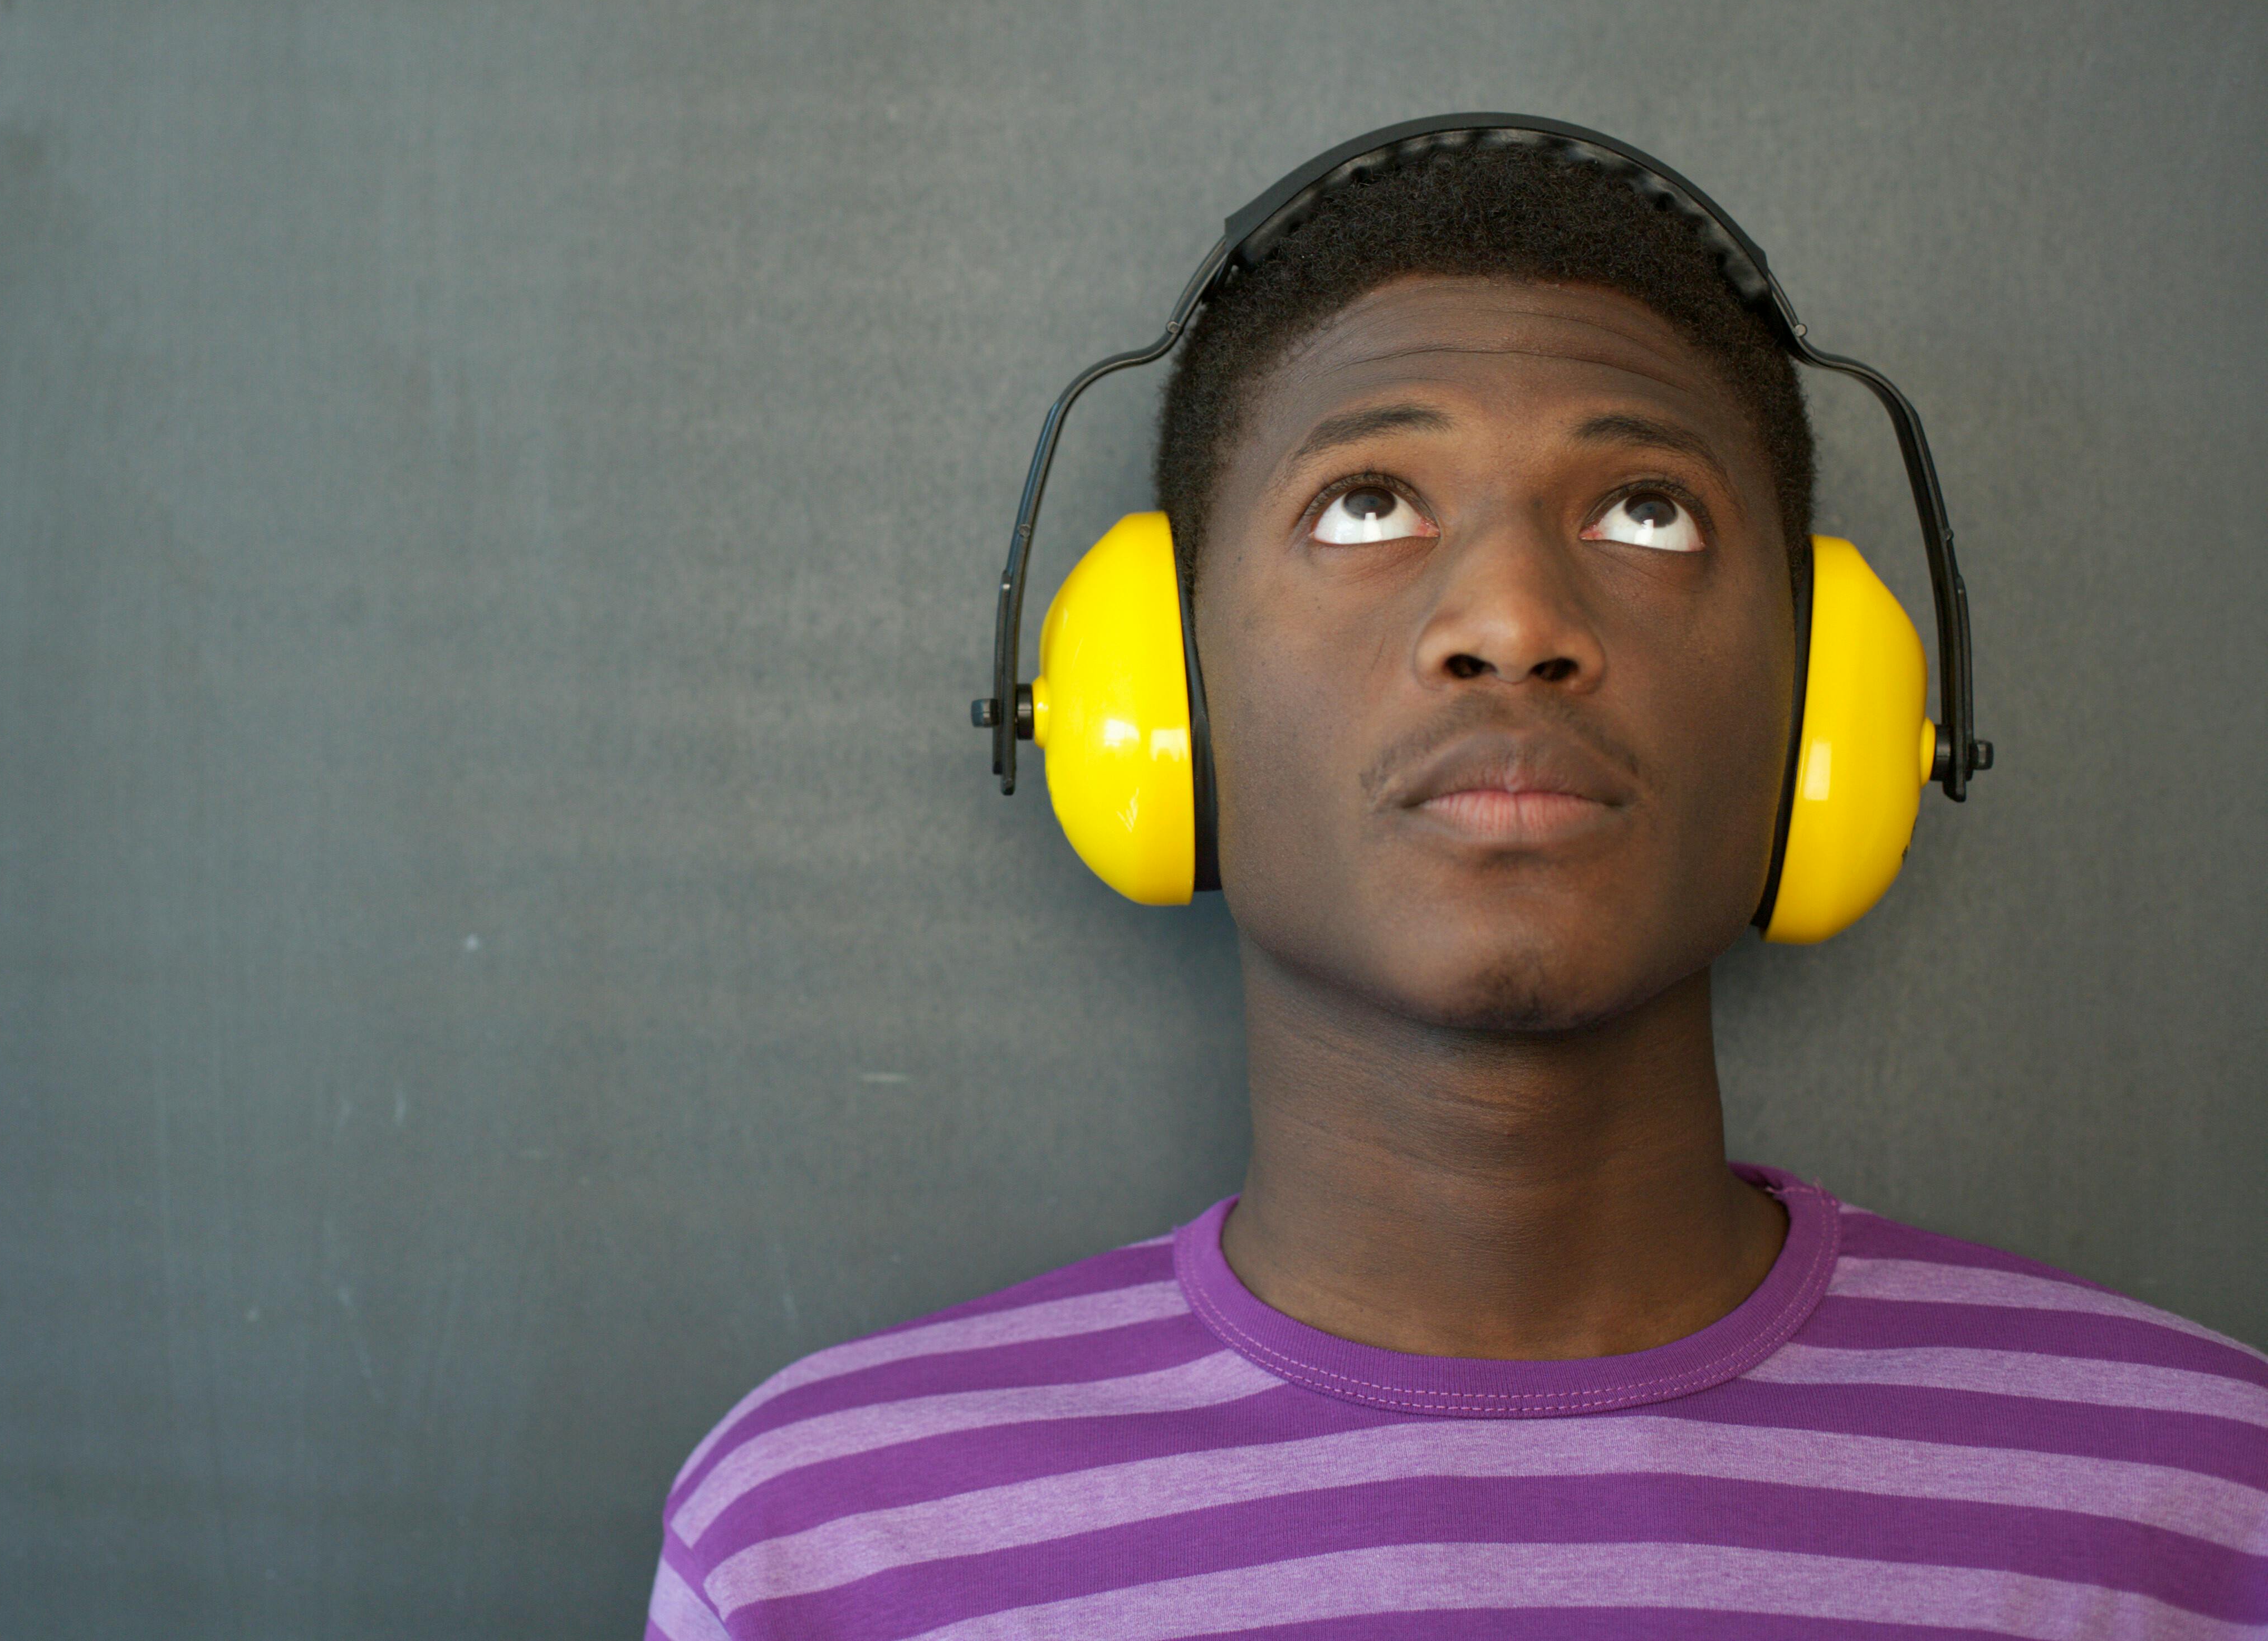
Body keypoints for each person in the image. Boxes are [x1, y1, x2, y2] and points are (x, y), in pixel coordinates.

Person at [644, 133, 2268, 1640]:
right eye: (1368, 503)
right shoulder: (827, 1547)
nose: (1509, 613)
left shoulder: (2210, 1509)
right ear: (1161, 696)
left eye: (1649, 511)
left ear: (1828, 698)